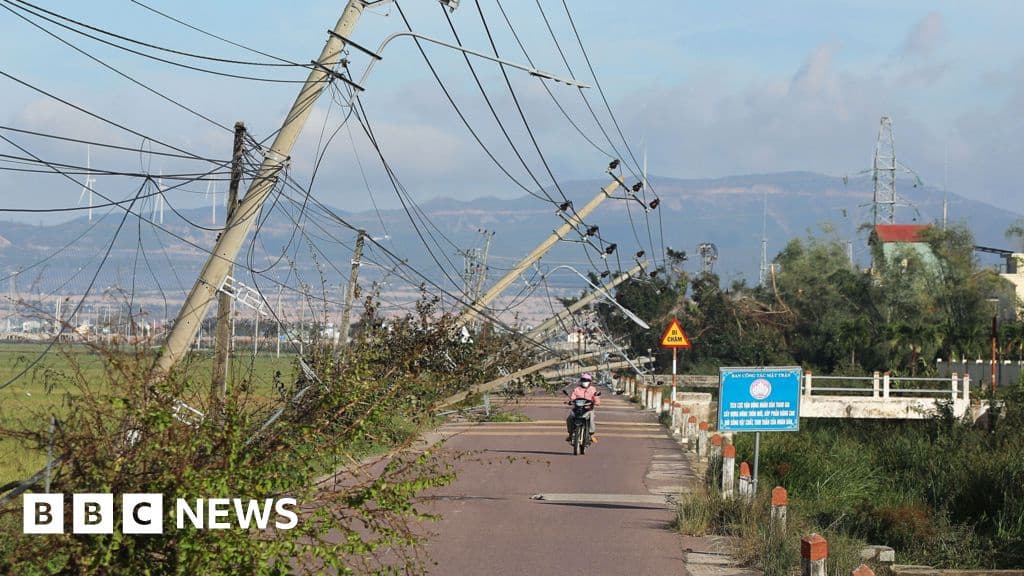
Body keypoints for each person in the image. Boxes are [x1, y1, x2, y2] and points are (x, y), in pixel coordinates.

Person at [565, 373, 600, 442]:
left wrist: (596, 401)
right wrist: (570, 401)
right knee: (569, 418)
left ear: (590, 381)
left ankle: (591, 435)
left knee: (591, 419)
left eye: (587, 380)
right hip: (577, 409)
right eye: (583, 380)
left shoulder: (593, 389)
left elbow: (597, 399)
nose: (585, 382)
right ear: (581, 381)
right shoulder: (577, 389)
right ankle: (570, 434)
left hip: (588, 409)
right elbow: (572, 397)